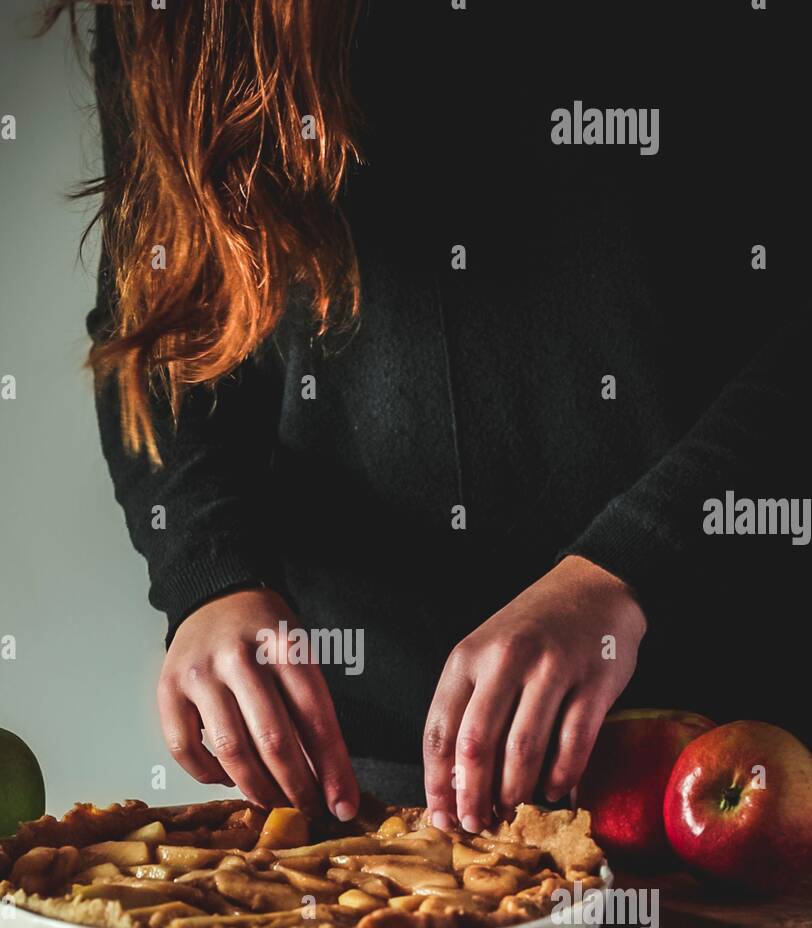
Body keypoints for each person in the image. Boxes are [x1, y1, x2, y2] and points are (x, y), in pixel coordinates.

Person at [42, 0, 807, 824]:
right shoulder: (169, 17)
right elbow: (159, 321)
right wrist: (209, 576)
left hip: (753, 749)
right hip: (372, 774)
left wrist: (633, 563)